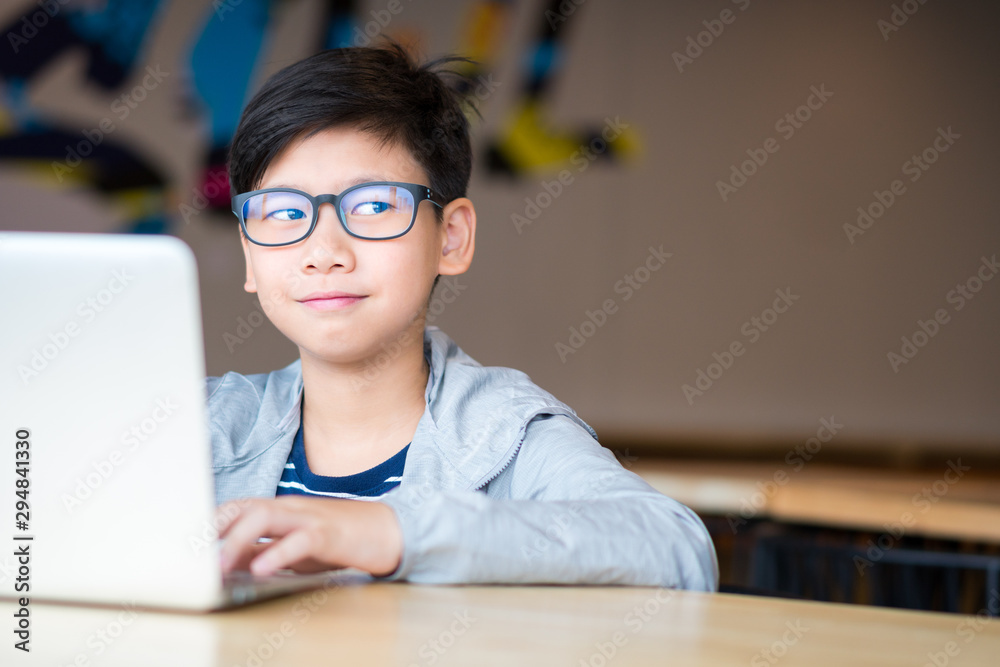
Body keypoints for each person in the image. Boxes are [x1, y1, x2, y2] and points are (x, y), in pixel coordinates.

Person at [209, 42, 718, 590]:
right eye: (284, 213)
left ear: (451, 238)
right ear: (250, 257)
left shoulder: (508, 433)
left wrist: (391, 532)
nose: (324, 251)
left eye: (374, 205)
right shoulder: (197, 424)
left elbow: (675, 549)